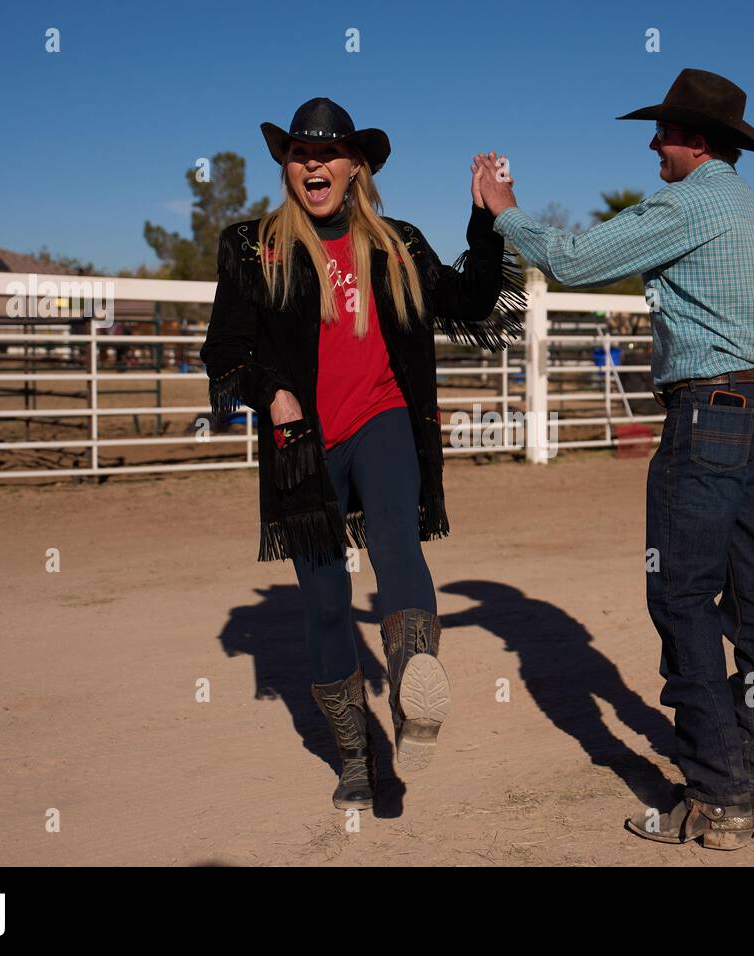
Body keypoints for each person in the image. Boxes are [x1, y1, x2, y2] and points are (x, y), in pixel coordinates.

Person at [472, 68, 754, 850]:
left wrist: (507, 216)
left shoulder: (690, 204)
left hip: (705, 412)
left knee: (681, 591)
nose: (655, 143)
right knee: (752, 590)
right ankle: (753, 777)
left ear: (698, 143)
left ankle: (714, 795)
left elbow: (579, 260)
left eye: (666, 132)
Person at [202, 98, 523, 811]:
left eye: (328, 152)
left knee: (395, 544)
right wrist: (272, 391)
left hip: (384, 419)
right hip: (302, 440)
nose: (312, 162)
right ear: (288, 166)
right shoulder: (253, 247)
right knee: (324, 603)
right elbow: (223, 352)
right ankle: (355, 759)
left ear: (356, 167)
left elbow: (472, 301)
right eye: (298, 152)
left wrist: (488, 220)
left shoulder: (398, 245)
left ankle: (415, 695)